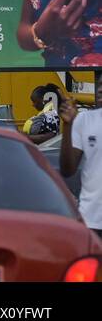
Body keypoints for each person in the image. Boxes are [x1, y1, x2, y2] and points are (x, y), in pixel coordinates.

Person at [60, 96, 102, 239]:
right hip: (91, 220)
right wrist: (67, 126)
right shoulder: (84, 120)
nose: (100, 89)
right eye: (100, 85)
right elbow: (67, 170)